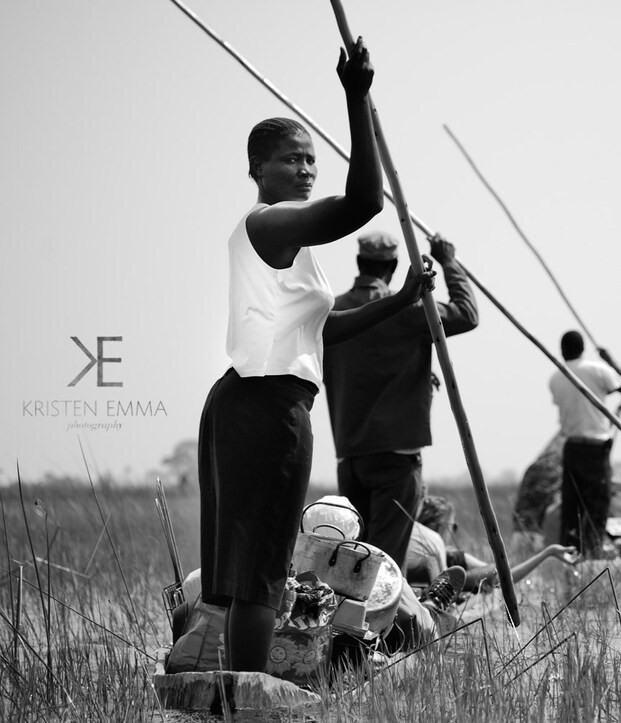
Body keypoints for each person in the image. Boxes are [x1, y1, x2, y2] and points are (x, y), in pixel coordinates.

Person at [197, 38, 437, 674]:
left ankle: (240, 683)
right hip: (265, 406)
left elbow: (325, 328)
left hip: (263, 402)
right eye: (289, 160)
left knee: (255, 565)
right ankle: (246, 694)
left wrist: (404, 298)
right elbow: (365, 203)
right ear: (257, 171)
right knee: (260, 571)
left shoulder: (294, 246)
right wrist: (357, 98)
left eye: (310, 160)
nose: (305, 170)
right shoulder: (269, 224)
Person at [323, 229, 479, 569]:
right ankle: (380, 621)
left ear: (358, 263)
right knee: (383, 563)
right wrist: (449, 262)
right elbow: (467, 314)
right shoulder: (407, 311)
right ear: (393, 267)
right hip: (395, 456)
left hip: (350, 454)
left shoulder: (332, 313)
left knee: (355, 553)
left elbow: (366, 363)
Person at [549, 331, 621, 558]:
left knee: (572, 506)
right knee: (598, 504)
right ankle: (594, 550)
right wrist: (611, 362)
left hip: (571, 448)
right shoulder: (598, 370)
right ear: (582, 349)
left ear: (562, 351)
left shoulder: (556, 378)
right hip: (594, 449)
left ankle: (571, 553)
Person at [406, 496, 579, 593]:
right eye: (454, 527)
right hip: (441, 589)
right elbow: (506, 579)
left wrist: (546, 553)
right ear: (441, 527)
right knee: (491, 570)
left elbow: (505, 577)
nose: (454, 532)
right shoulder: (436, 543)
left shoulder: (452, 556)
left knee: (492, 569)